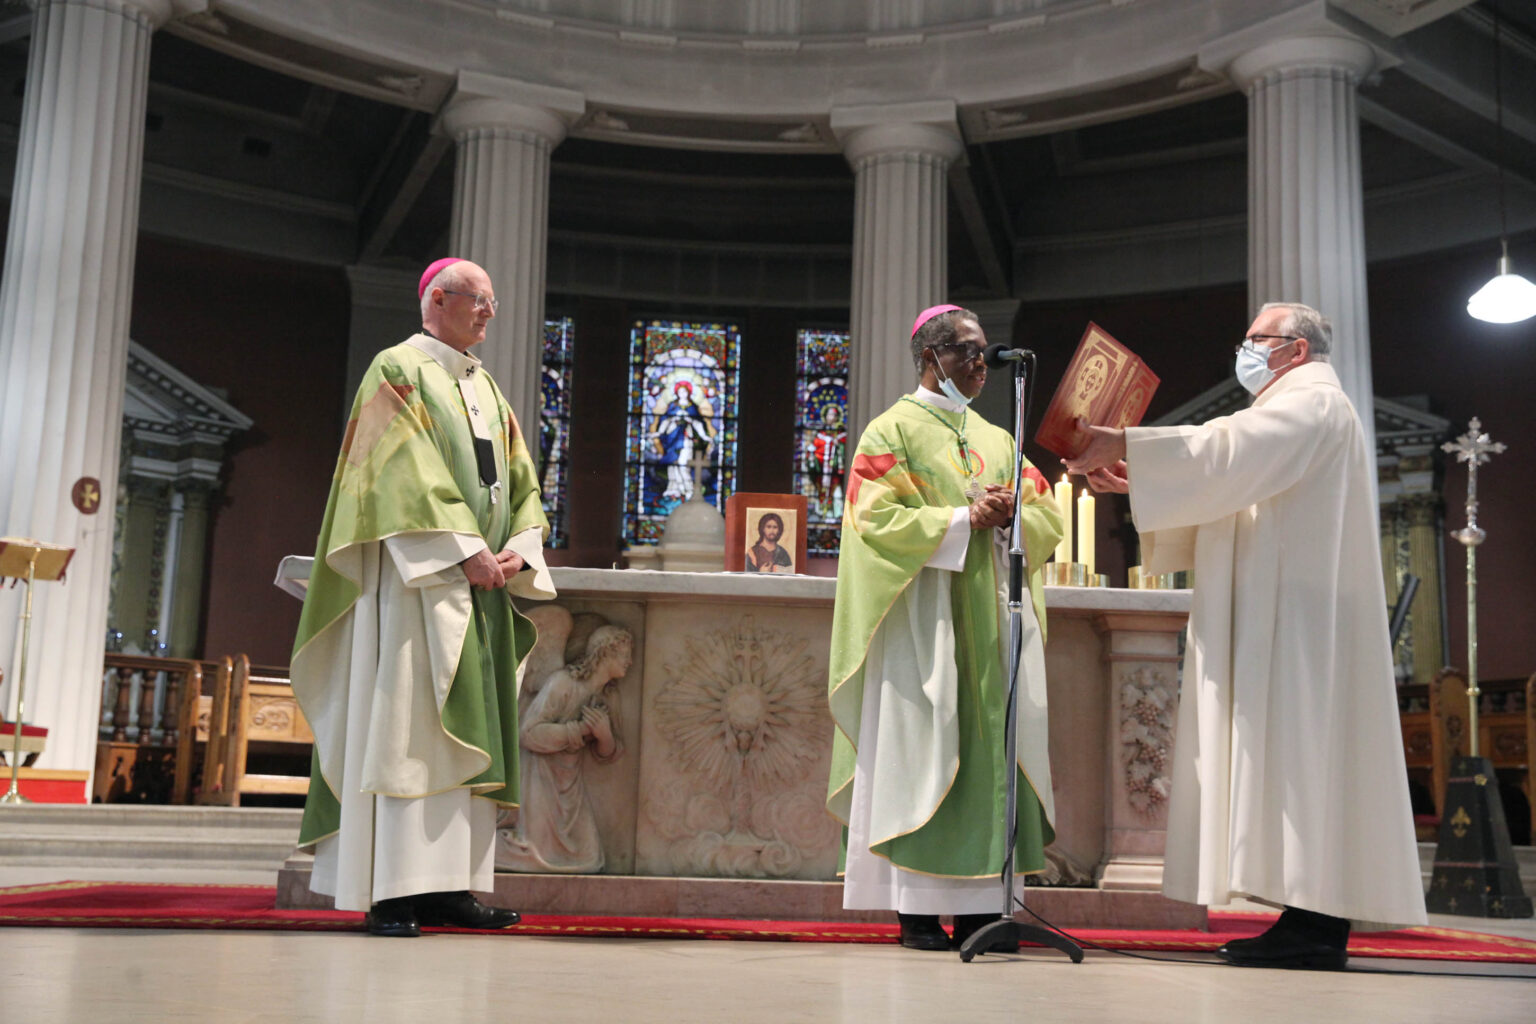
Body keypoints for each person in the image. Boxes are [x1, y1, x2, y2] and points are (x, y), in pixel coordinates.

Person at [1064, 302, 1426, 969]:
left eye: (1254, 340)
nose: (1246, 351)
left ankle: (1316, 924)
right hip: (1287, 610)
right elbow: (1239, 483)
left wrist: (1130, 444)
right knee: (1294, 763)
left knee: (1302, 759)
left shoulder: (1313, 401)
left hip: (1301, 621)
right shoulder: (1295, 405)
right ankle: (1307, 918)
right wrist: (1138, 475)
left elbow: (1229, 449)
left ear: (1292, 348)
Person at [290, 257, 557, 937]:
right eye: (480, 300)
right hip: (417, 584)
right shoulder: (396, 370)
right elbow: (395, 470)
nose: (490, 313)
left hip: (483, 585)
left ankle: (451, 888)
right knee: (410, 727)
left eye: (494, 301)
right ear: (439, 299)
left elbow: (522, 478)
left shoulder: (486, 388)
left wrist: (518, 546)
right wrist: (461, 545)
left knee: (469, 734)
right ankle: (392, 891)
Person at [825, 304, 1063, 952]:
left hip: (989, 626)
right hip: (921, 625)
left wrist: (1014, 514)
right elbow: (874, 523)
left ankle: (987, 909)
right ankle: (919, 911)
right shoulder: (889, 432)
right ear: (930, 358)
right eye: (967, 352)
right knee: (921, 751)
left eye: (985, 352)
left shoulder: (998, 438)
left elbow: (1049, 515)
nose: (981, 364)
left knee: (991, 757)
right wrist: (962, 520)